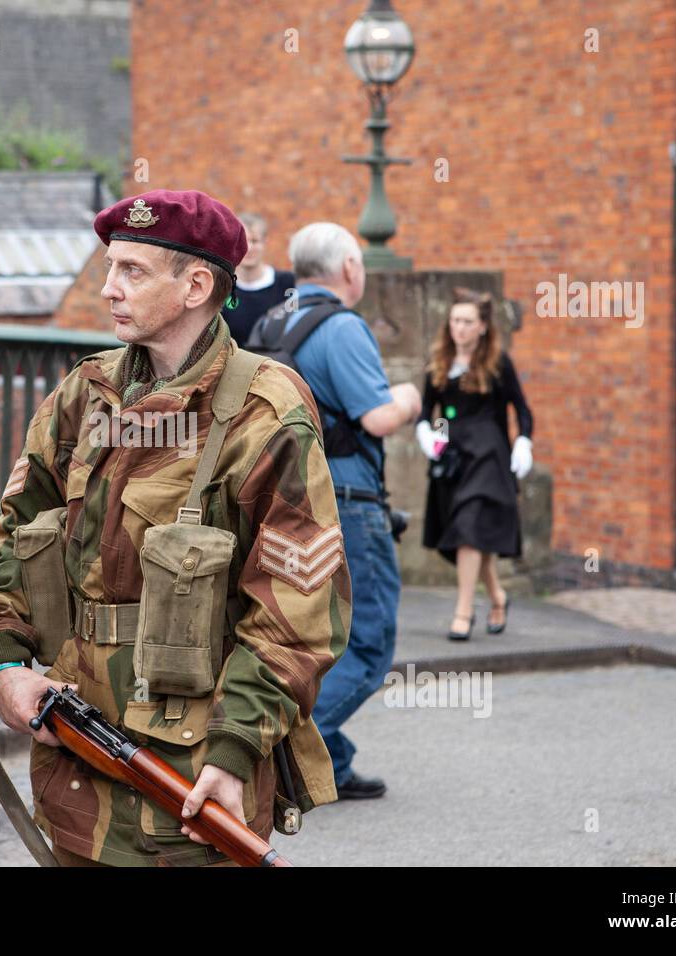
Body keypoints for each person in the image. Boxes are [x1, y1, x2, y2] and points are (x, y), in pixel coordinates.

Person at [0, 189, 349, 866]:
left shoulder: (265, 411)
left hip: (189, 767)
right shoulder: (87, 393)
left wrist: (234, 756)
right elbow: (18, 530)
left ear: (196, 285)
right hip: (76, 754)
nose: (109, 289)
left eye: (132, 272)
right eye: (110, 268)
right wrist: (2, 662)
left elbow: (298, 612)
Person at [260, 222, 421, 801]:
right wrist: (409, 397)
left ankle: (332, 761)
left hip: (285, 499)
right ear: (350, 268)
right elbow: (376, 418)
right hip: (347, 502)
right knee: (370, 641)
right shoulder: (342, 327)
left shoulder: (268, 324)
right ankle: (293, 752)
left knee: (302, 636)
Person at [415, 287, 533, 640]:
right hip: (455, 459)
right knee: (471, 534)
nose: (459, 328)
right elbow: (431, 411)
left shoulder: (498, 362)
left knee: (468, 530)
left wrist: (523, 442)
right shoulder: (440, 361)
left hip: (490, 456)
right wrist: (432, 434)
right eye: (454, 320)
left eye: (467, 322)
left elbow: (522, 410)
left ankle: (463, 611)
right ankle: (497, 597)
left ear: (483, 326)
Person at [220, 212, 294, 346]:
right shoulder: (222, 285)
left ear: (265, 242)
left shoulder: (287, 284)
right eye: (242, 241)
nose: (249, 248)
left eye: (254, 241)